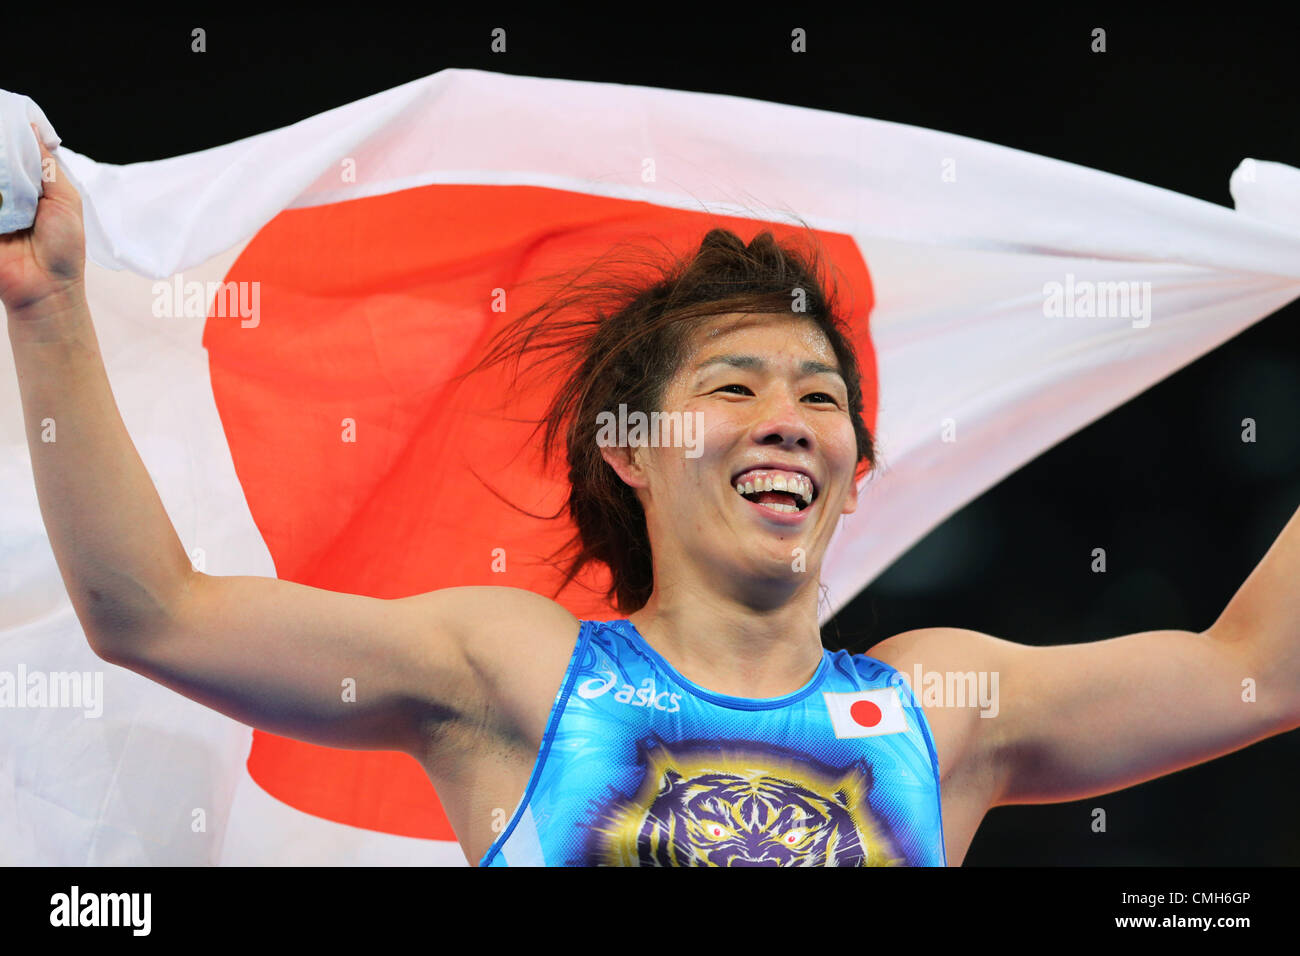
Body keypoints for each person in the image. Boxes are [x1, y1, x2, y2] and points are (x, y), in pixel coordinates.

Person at [4, 127, 1298, 867]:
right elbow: (154, 614)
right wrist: (51, 303)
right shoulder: (513, 674)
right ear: (627, 446)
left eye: (820, 397)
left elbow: (1261, 667)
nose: (788, 415)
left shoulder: (941, 711)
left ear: (856, 470)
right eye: (734, 388)